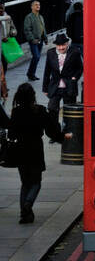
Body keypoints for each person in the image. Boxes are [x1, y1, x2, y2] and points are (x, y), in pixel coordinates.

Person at [0, 82, 64, 223]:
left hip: (20, 150)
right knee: (36, 182)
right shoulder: (39, 110)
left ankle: (25, 213)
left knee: (25, 182)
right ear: (33, 96)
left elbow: (12, 133)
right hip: (35, 149)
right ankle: (28, 204)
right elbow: (51, 130)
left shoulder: (16, 112)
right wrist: (62, 137)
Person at [42, 32, 83, 115]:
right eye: (58, 45)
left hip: (69, 86)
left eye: (63, 45)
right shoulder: (50, 53)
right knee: (52, 109)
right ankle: (54, 127)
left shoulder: (75, 52)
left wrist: (74, 78)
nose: (61, 48)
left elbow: (80, 68)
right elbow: (47, 72)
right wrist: (45, 88)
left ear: (67, 44)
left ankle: (67, 127)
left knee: (69, 113)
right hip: (55, 87)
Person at [22, 0, 47, 81]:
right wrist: (32, 39)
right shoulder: (29, 17)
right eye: (36, 5)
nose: (38, 6)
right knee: (36, 57)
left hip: (40, 40)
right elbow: (27, 30)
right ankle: (30, 74)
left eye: (39, 5)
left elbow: (43, 29)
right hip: (34, 41)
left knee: (37, 57)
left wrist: (45, 38)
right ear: (32, 7)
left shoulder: (41, 17)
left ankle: (31, 73)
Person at [0, 4, 15, 102]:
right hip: (1, 43)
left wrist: (13, 33)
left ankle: (3, 87)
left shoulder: (7, 16)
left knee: (4, 65)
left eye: (2, 8)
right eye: (0, 8)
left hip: (6, 44)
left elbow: (13, 27)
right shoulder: (5, 17)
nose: (1, 10)